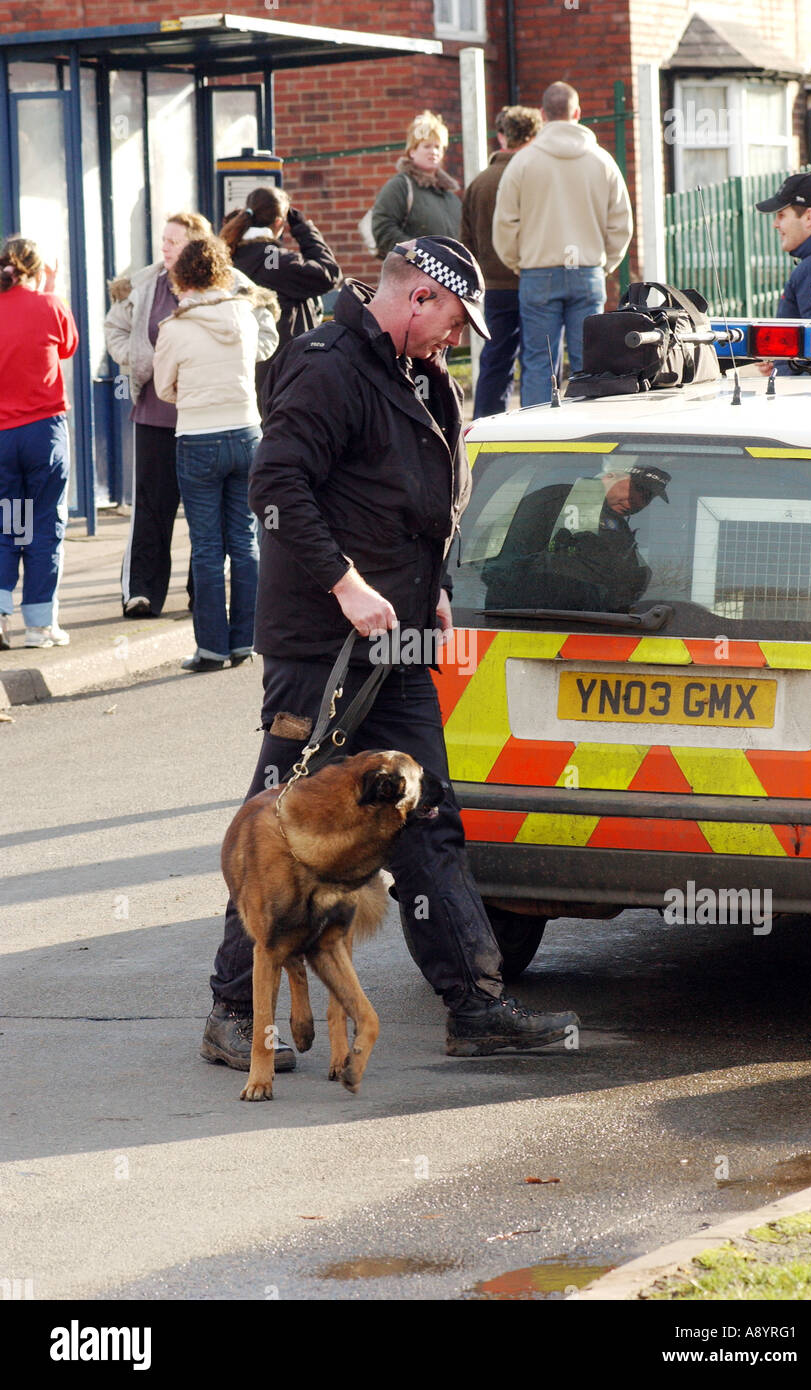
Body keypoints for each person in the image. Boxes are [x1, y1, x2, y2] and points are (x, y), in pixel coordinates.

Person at [201, 234, 580, 1074]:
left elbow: (428, 500)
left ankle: (474, 1004)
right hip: (321, 648)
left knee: (426, 816)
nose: (457, 336)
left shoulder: (421, 377)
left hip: (398, 644)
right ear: (416, 298)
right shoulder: (327, 364)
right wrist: (343, 583)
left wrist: (435, 583)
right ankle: (234, 1009)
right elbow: (277, 487)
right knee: (278, 827)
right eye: (452, 318)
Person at [104, 212, 278, 620]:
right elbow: (114, 330)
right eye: (162, 240)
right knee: (151, 508)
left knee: (213, 518)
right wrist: (138, 359)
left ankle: (206, 597)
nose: (164, 248)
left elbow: (267, 334)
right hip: (156, 415)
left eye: (173, 241)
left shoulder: (234, 282)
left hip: (213, 421)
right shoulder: (144, 283)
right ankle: (142, 593)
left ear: (197, 247)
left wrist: (223, 362)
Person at [153, 236, 262, 673]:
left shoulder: (174, 328)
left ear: (182, 277)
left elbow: (163, 388)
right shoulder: (246, 315)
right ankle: (246, 641)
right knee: (245, 541)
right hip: (248, 432)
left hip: (198, 435)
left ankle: (212, 649)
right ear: (223, 270)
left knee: (206, 547)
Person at [492, 81, 633, 406]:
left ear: (542, 115)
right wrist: (605, 263)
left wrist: (519, 261)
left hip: (538, 271)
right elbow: (621, 223)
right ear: (578, 113)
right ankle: (588, 440)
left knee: (539, 362)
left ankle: (539, 441)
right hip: (587, 270)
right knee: (589, 364)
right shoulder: (602, 161)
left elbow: (504, 223)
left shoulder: (523, 163)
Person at [0, 238, 78, 650]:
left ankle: (0, 612)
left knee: (13, 524)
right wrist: (51, 286)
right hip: (44, 435)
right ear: (36, 269)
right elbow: (67, 347)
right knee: (46, 525)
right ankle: (40, 624)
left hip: (4, 437)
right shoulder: (50, 305)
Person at [483, 466, 669, 613]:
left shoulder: (620, 530)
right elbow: (499, 555)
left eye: (648, 497)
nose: (638, 501)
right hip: (523, 616)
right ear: (610, 476)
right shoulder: (556, 499)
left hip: (597, 624)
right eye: (636, 489)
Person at [219, 185, 341, 402]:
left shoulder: (231, 252)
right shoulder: (270, 257)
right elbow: (329, 274)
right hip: (282, 374)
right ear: (279, 222)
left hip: (243, 369)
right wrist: (303, 229)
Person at [460, 105, 542, 418]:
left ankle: (485, 422)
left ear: (501, 135)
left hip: (493, 286)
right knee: (538, 359)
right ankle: (538, 422)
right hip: (534, 279)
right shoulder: (533, 178)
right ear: (533, 137)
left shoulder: (479, 182)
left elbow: (465, 241)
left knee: (496, 359)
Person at [755, 171, 811, 376]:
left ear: (809, 217)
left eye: (781, 215)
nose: (775, 224)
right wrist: (782, 361)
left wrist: (789, 379)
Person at [370, 111, 462, 261]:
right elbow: (384, 231)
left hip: (446, 279)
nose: (434, 152)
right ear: (412, 152)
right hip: (410, 279)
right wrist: (418, 258)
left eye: (438, 147)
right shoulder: (400, 186)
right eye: (426, 146)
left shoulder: (450, 197)